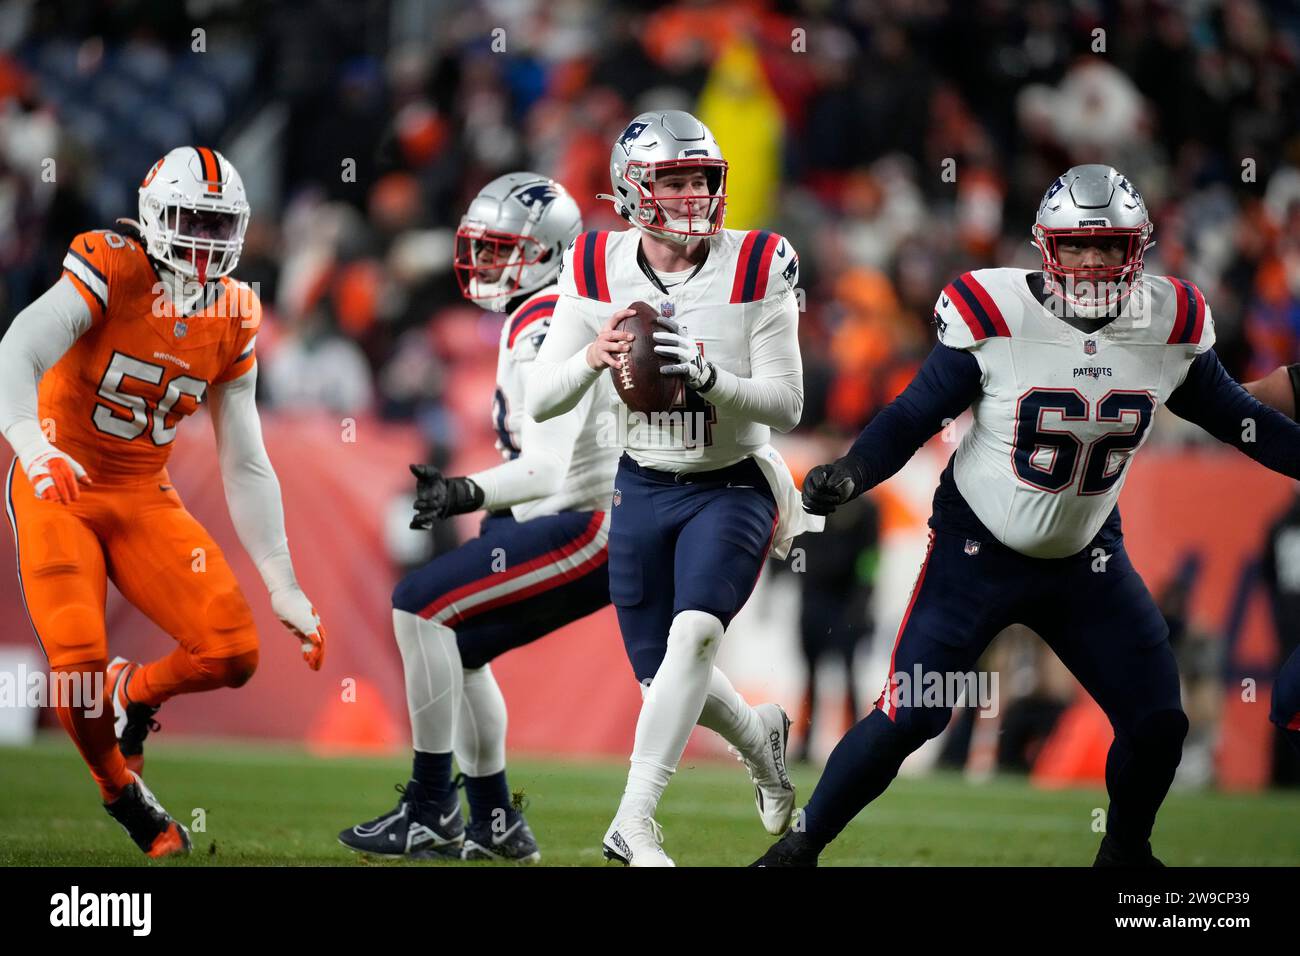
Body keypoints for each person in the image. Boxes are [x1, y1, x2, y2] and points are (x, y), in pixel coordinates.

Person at [755, 165, 1300, 867]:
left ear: (1139, 249)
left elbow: (1244, 423)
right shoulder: (998, 310)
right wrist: (854, 472)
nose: (1096, 261)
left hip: (1086, 561)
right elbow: (916, 413)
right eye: (1079, 246)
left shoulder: (1169, 324)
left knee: (1160, 723)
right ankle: (799, 849)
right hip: (975, 552)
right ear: (1048, 247)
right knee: (910, 714)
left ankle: (1125, 856)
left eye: (1112, 247)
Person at [0, 147, 326, 858]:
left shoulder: (236, 311)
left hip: (143, 494)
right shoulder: (111, 266)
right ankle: (122, 790)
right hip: (61, 483)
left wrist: (283, 581)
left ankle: (137, 695)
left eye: (219, 227)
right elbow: (17, 347)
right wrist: (32, 444)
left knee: (234, 652)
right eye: (189, 221)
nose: (205, 243)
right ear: (153, 217)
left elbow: (245, 458)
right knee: (79, 663)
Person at [527, 110, 821, 865]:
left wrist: (710, 375)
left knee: (697, 635)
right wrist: (594, 354)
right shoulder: (595, 265)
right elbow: (541, 397)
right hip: (641, 486)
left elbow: (788, 406)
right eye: (671, 180)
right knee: (665, 676)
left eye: (700, 179)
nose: (691, 195)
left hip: (733, 483)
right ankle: (762, 742)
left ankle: (633, 820)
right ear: (631, 190)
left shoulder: (758, 261)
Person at [338, 173, 613, 863]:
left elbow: (549, 468)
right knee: (458, 650)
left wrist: (462, 493)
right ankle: (494, 824)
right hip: (548, 514)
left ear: (547, 252)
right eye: (482, 249)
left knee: (417, 605)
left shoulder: (549, 320)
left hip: (583, 519)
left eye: (502, 251)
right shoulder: (538, 310)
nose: (486, 264)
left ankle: (432, 805)